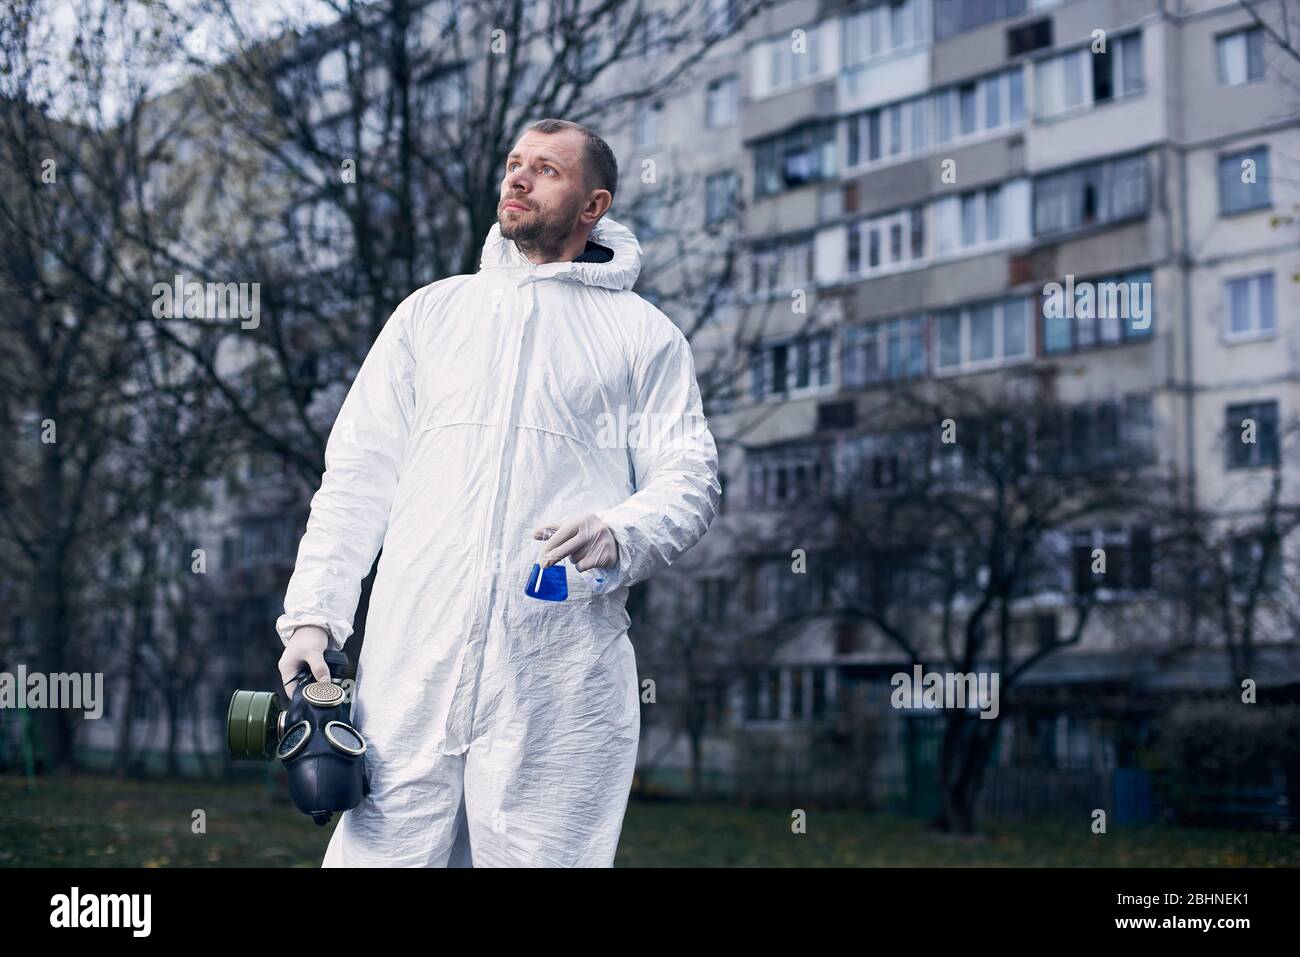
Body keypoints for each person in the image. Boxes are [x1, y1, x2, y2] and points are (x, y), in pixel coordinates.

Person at [274, 117, 720, 867]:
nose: (517, 178)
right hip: (409, 669)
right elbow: (356, 479)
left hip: (554, 677)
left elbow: (691, 478)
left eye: (546, 169)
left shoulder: (643, 337)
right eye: (514, 163)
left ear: (593, 204)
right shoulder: (432, 314)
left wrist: (621, 530)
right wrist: (313, 620)